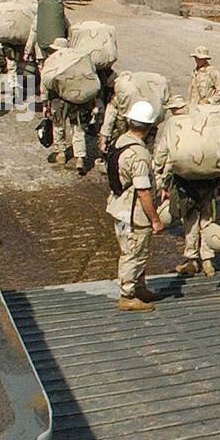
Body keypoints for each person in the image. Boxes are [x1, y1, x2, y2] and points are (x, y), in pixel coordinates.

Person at [105, 99, 166, 312]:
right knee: (133, 253)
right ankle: (127, 295)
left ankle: (140, 287)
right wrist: (155, 219)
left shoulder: (122, 141)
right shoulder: (139, 154)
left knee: (136, 250)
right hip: (133, 213)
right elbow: (143, 191)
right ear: (148, 127)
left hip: (119, 206)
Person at [153, 94, 217, 276]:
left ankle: (192, 259)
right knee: (207, 217)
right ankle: (208, 260)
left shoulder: (173, 125)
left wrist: (159, 177)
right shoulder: (201, 122)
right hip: (208, 178)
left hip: (185, 179)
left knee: (189, 217)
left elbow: (162, 153)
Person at [45, 37, 97, 176]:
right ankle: (80, 158)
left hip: (59, 99)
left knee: (58, 126)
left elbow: (46, 83)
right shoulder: (77, 58)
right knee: (78, 128)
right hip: (77, 99)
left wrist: (45, 103)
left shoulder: (53, 59)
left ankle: (61, 153)